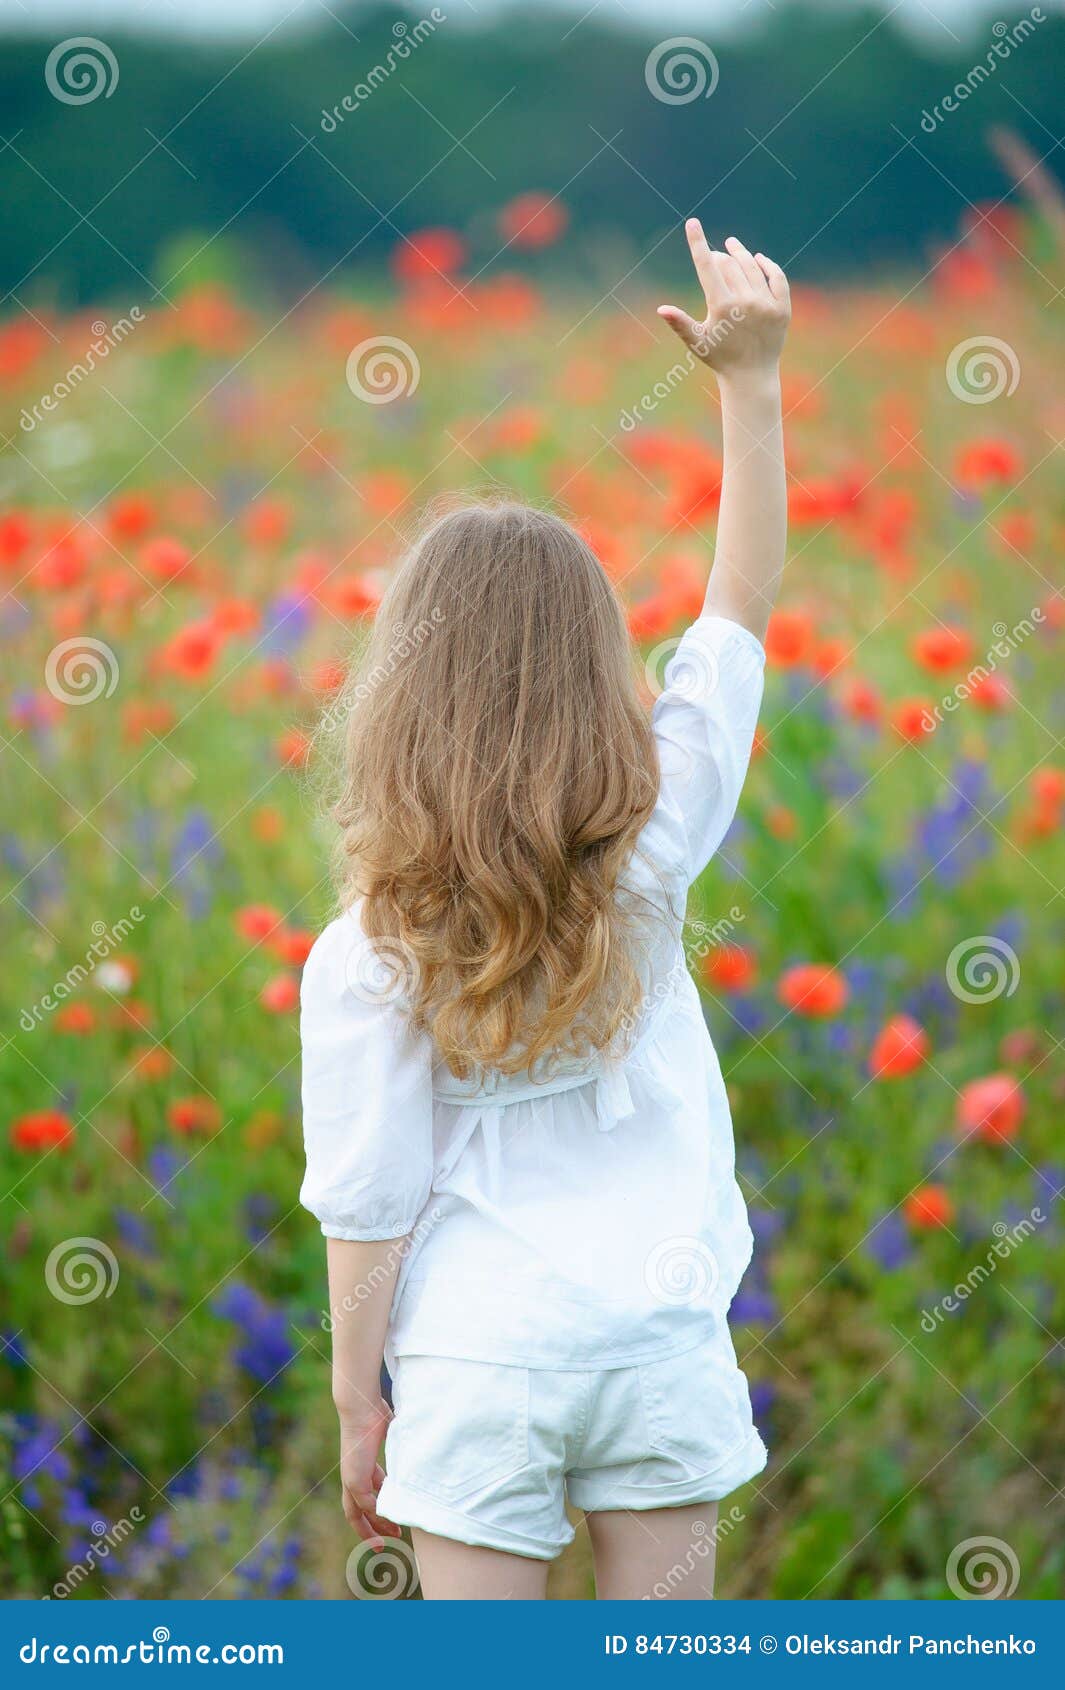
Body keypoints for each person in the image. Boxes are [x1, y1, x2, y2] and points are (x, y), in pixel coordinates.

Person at [300, 221, 790, 1599]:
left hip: (475, 1356)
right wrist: (747, 389)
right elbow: (738, 600)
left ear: (398, 696)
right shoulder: (653, 845)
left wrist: (358, 1406)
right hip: (659, 1331)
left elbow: (370, 1203)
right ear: (598, 668)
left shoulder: (369, 948)